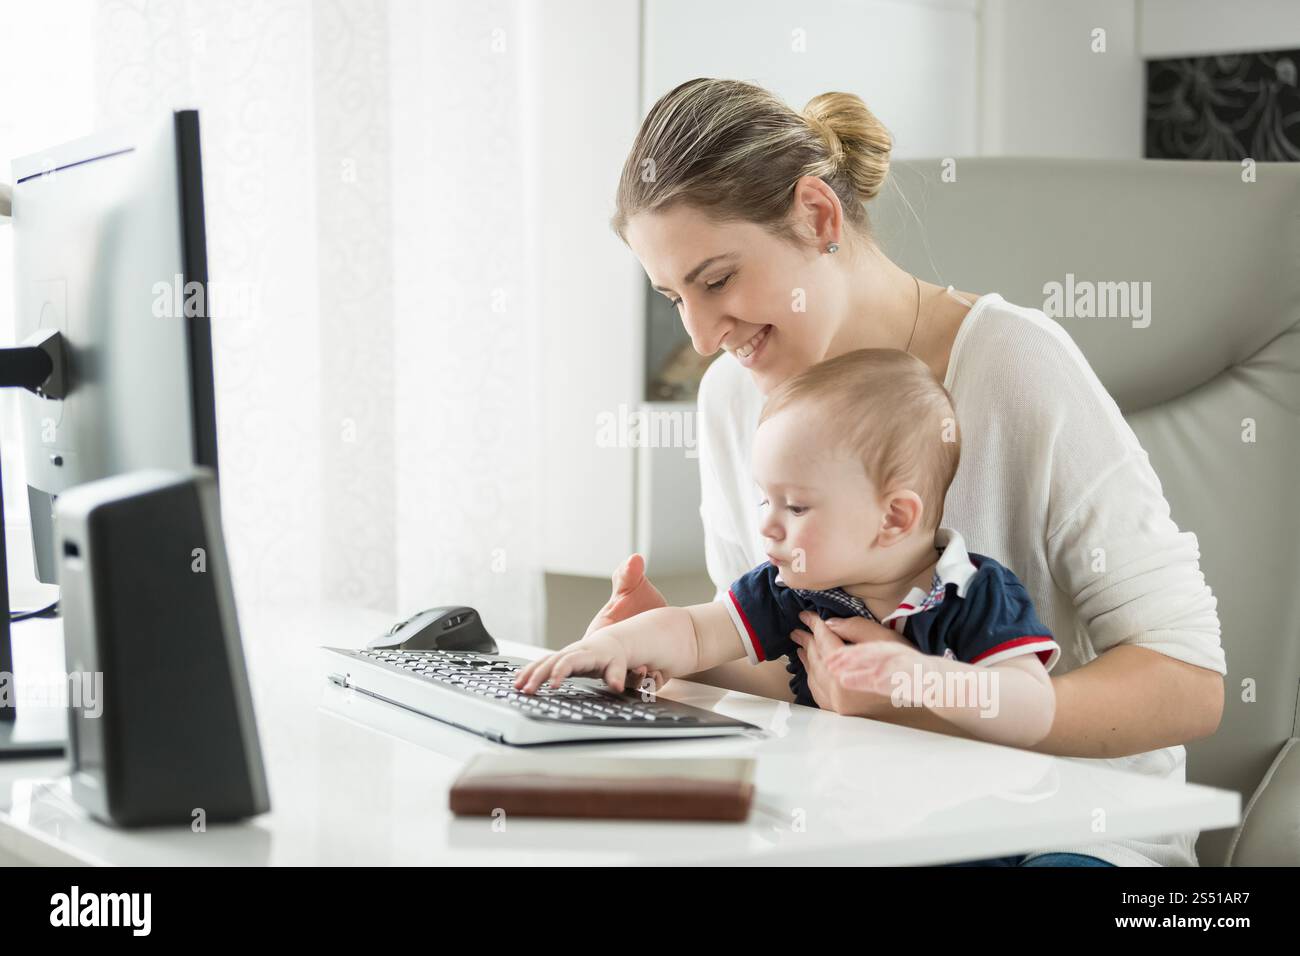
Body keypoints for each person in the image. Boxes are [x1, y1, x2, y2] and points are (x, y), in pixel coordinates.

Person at [587, 77, 1226, 867]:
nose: (703, 333)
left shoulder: (1015, 365)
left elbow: (1189, 682)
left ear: (817, 216)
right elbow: (804, 676)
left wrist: (931, 700)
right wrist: (674, 650)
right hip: (870, 823)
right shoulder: (729, 399)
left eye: (715, 280)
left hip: (1065, 829)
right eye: (670, 297)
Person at [519, 347, 1060, 752]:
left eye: (796, 508)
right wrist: (617, 643)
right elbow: (694, 630)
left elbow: (1034, 709)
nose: (769, 528)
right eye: (765, 502)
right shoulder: (790, 585)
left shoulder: (974, 590)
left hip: (971, 833)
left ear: (893, 518)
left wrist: (915, 677)